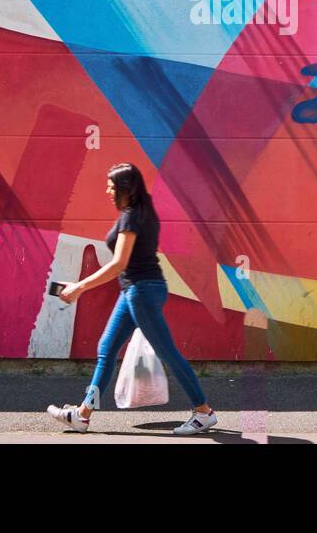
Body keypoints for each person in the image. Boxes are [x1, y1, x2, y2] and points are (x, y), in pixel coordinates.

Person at [46, 162, 217, 435]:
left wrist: (79, 287)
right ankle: (82, 415)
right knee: (107, 348)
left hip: (141, 291)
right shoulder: (141, 212)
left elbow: (118, 263)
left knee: (167, 352)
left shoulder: (132, 216)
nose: (107, 190)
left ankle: (203, 412)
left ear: (125, 189)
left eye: (112, 186)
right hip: (136, 290)